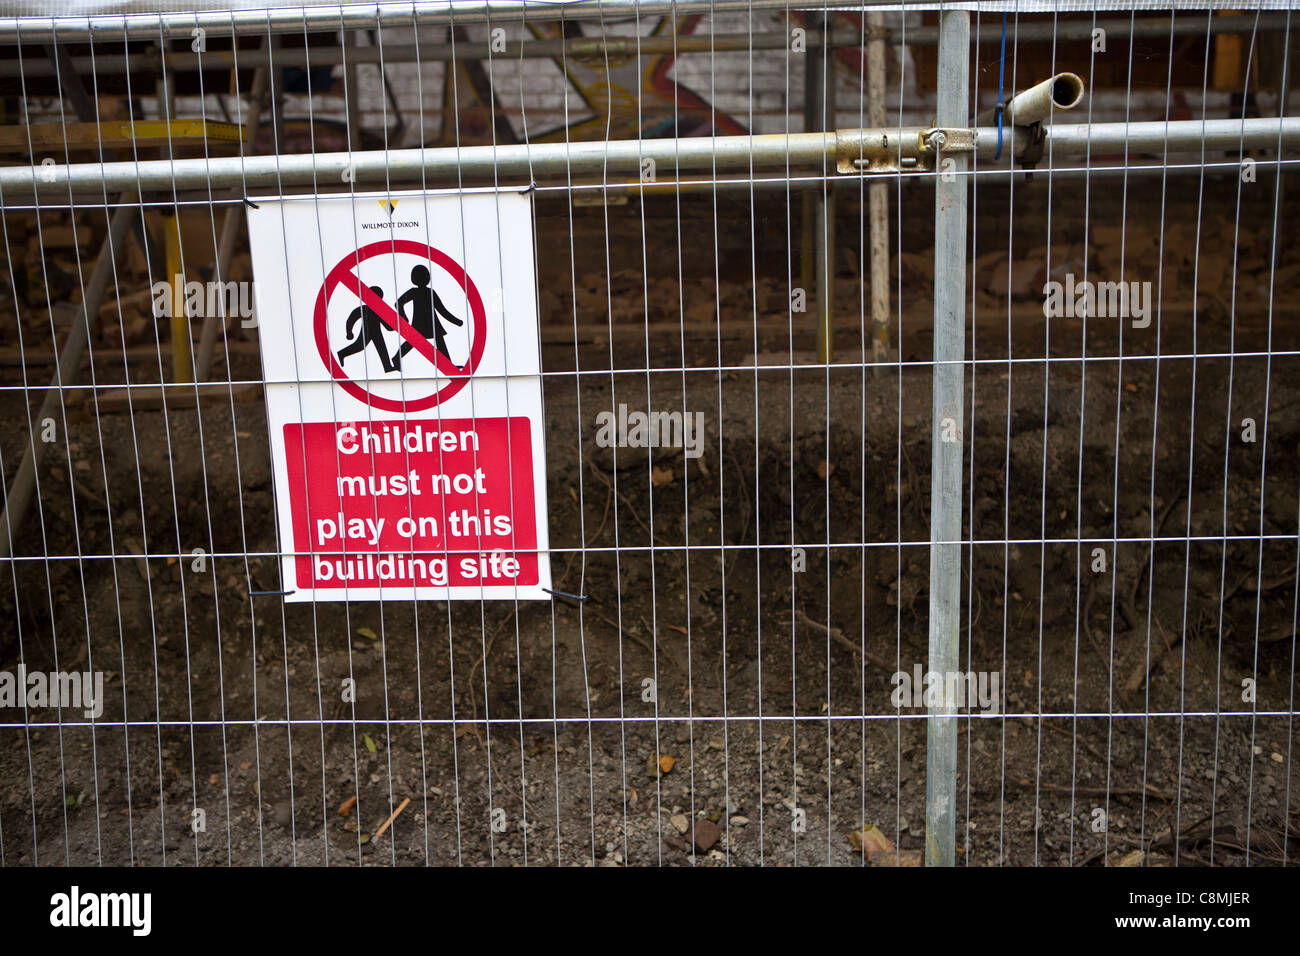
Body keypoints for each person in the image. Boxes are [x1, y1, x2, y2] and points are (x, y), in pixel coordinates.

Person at [394, 264, 465, 370]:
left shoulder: (424, 292)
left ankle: (448, 365)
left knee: (437, 340)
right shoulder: (426, 292)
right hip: (423, 323)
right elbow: (442, 310)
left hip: (428, 322)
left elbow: (441, 309)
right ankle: (396, 358)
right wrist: (404, 317)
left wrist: (404, 317)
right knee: (416, 341)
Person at [336, 285, 398, 373]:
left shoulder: (379, 310)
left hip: (376, 332)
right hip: (367, 332)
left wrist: (396, 327)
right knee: (360, 346)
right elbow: (351, 319)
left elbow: (387, 326)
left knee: (381, 348)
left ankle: (387, 366)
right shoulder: (364, 309)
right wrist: (349, 332)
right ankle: (342, 353)